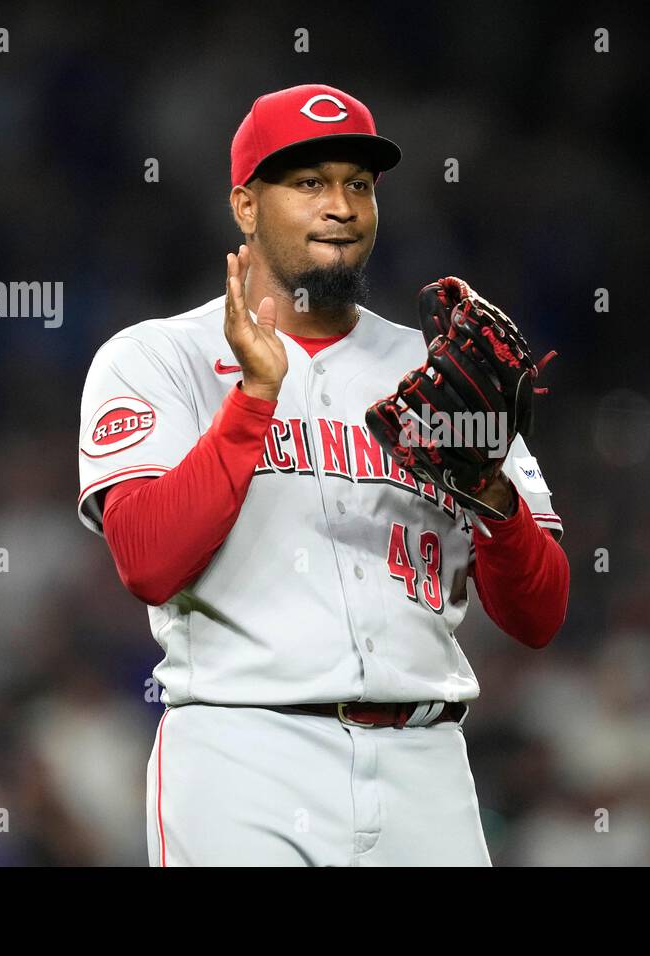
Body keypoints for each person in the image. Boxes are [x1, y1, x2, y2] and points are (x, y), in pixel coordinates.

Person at [75, 83, 569, 866]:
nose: (339, 205)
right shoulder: (155, 357)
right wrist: (254, 400)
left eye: (358, 185)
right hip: (243, 753)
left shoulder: (439, 373)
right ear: (245, 205)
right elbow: (146, 560)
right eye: (309, 183)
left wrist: (492, 494)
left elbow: (538, 614)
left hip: (426, 764)